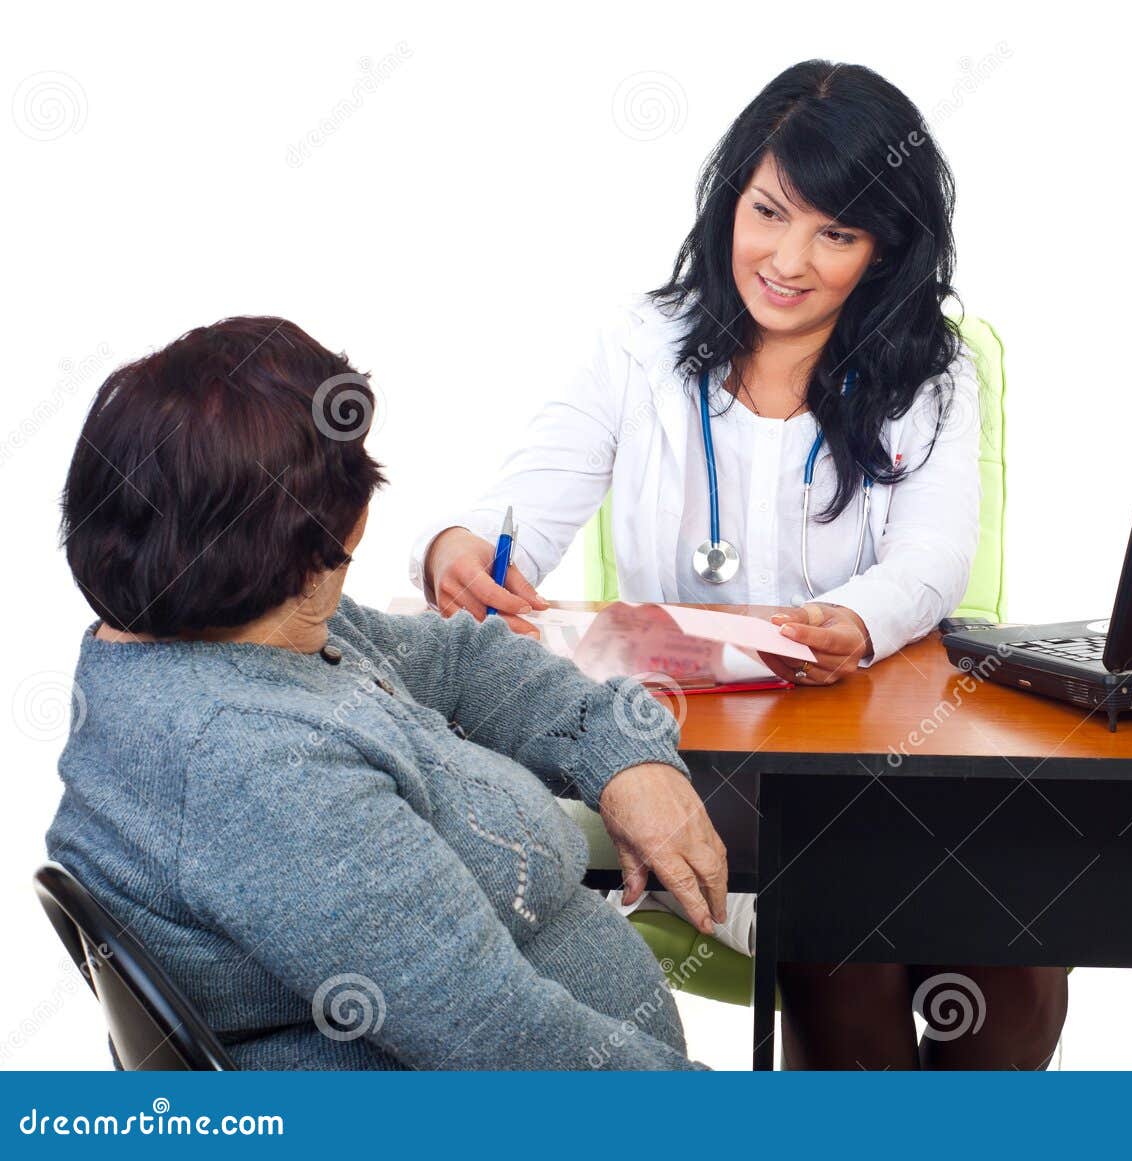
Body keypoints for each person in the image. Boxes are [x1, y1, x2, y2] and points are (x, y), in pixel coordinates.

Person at [414, 60, 1068, 1068]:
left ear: (884, 250)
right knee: (845, 917)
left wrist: (855, 620)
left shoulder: (926, 369)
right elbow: (521, 507)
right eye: (768, 212)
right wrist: (459, 549)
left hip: (884, 756)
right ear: (731, 199)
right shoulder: (641, 347)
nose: (788, 259)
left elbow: (934, 557)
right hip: (691, 762)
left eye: (835, 234)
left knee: (1015, 952)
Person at [47, 316, 727, 1070]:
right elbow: (501, 1042)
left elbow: (463, 661)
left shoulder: (233, 615)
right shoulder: (262, 768)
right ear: (329, 541)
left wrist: (621, 754)